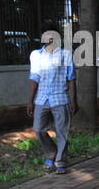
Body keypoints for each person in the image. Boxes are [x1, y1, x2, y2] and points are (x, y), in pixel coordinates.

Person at [28, 26, 77, 173]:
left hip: (60, 98)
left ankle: (60, 162)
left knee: (62, 131)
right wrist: (29, 100)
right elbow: (34, 77)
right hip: (41, 99)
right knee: (38, 129)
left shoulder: (66, 54)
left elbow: (71, 79)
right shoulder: (36, 55)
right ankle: (52, 153)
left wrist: (74, 100)